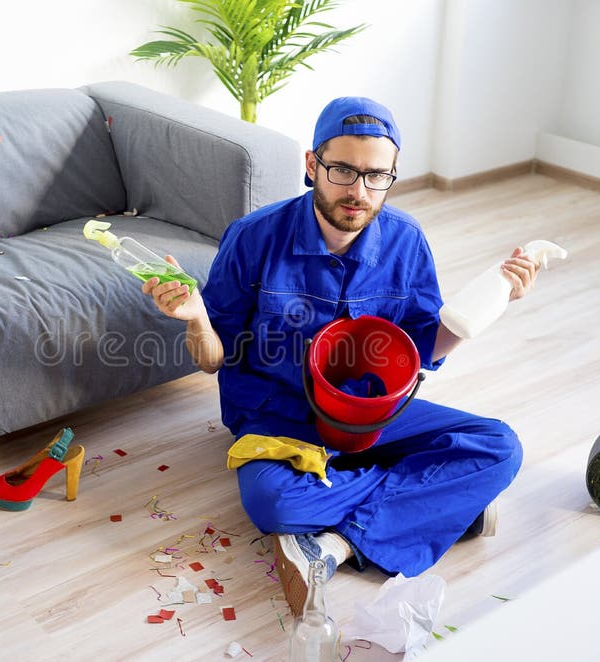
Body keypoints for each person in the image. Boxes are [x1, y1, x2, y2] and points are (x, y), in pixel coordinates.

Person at [142, 96, 538, 616]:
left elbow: (419, 351)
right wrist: (196, 318)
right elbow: (213, 359)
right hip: (277, 418)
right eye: (342, 170)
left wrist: (486, 307)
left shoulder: (406, 242)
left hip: (370, 417)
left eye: (377, 176)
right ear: (312, 165)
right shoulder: (253, 238)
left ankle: (336, 544)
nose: (358, 191)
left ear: (393, 175)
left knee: (500, 448)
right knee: (274, 502)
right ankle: (437, 501)